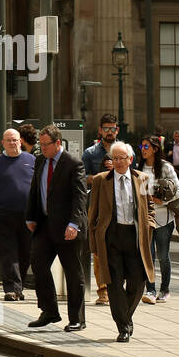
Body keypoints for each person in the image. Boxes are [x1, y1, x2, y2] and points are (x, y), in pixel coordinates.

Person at [88, 140, 156, 341]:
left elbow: (150, 207)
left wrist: (149, 225)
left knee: (138, 282)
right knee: (114, 284)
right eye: (114, 158)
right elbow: (93, 214)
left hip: (135, 237)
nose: (117, 162)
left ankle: (125, 317)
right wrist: (94, 244)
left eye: (121, 158)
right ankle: (124, 327)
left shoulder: (143, 179)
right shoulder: (101, 180)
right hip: (111, 237)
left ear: (130, 160)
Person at [25, 123, 88, 331]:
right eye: (39, 144)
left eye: (45, 144)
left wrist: (74, 223)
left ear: (58, 143)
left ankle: (77, 318)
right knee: (39, 264)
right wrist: (30, 216)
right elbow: (36, 189)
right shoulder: (41, 161)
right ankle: (49, 311)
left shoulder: (73, 163)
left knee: (73, 272)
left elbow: (80, 197)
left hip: (67, 227)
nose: (41, 148)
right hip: (44, 224)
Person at [0, 127, 35, 301]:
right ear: (3, 143)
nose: (12, 143)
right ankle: (11, 289)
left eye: (15, 140)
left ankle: (18, 287)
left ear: (20, 141)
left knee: (25, 252)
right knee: (8, 252)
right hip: (3, 215)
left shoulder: (31, 160)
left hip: (28, 216)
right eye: (8, 140)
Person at [138, 134, 179, 303]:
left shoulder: (165, 167)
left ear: (156, 149)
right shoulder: (139, 167)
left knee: (163, 256)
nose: (143, 149)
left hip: (164, 219)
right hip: (146, 218)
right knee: (148, 255)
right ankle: (150, 290)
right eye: (142, 146)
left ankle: (164, 290)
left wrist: (163, 200)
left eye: (147, 146)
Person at [83, 112, 120, 308]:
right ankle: (102, 291)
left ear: (117, 130)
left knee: (118, 248)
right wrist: (101, 175)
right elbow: (82, 177)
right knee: (98, 249)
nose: (109, 132)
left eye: (112, 129)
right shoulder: (90, 153)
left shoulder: (124, 151)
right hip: (97, 206)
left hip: (120, 206)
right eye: (106, 128)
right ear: (100, 130)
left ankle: (116, 288)